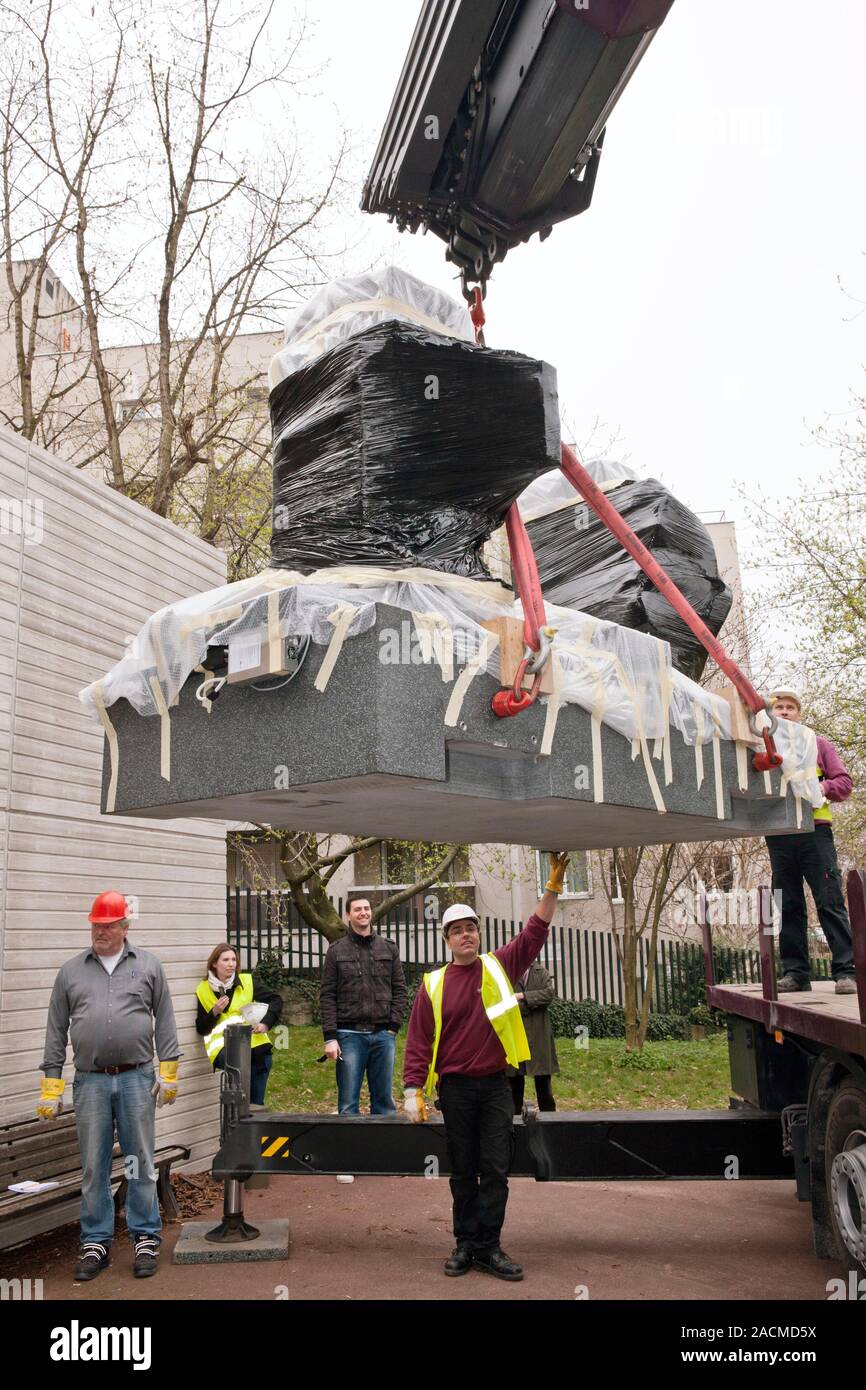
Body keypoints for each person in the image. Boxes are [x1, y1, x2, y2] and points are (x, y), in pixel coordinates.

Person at [402, 853, 569, 1281]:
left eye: (471, 928)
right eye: (457, 931)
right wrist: (411, 1090)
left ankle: (489, 1247)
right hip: (455, 1090)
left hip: (495, 1087)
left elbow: (534, 934)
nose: (465, 936)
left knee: (495, 1169)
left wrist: (550, 889)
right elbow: (419, 1039)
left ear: (479, 934)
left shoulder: (498, 966)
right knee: (463, 1171)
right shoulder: (433, 984)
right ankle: (464, 1244)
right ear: (447, 940)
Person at [38, 890, 181, 1283]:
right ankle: (96, 1242)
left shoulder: (148, 965)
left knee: (138, 1162)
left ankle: (144, 1238)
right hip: (91, 1083)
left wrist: (168, 1069)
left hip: (137, 1079)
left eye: (107, 924)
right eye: (95, 925)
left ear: (124, 926)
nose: (100, 931)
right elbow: (56, 1028)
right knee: (95, 1165)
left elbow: (164, 1018)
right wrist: (52, 1080)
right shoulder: (71, 972)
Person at [765, 687, 856, 995]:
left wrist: (818, 787)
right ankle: (795, 973)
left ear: (799, 714)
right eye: (779, 707)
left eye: (791, 707)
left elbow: (844, 784)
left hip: (814, 832)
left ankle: (847, 972)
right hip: (779, 833)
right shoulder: (760, 747)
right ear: (770, 714)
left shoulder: (817, 745)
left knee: (829, 900)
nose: (785, 711)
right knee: (787, 904)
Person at [320, 894, 407, 1115]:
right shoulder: (336, 950)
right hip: (349, 1036)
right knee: (348, 1104)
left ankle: (385, 1146)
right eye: (357, 909)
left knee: (384, 1104)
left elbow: (399, 989)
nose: (363, 912)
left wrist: (393, 1026)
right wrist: (330, 1037)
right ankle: (350, 1149)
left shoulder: (389, 948)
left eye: (367, 908)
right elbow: (327, 995)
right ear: (348, 915)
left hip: (383, 1036)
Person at [195, 944, 283, 1105]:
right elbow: (201, 1028)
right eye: (226, 960)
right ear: (214, 963)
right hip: (226, 1052)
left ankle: (252, 1124)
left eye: (234, 960)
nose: (231, 964)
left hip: (258, 1050)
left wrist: (265, 1024)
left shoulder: (247, 981)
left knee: (255, 1106)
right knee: (238, 1106)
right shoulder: (203, 989)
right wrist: (214, 1012)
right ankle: (235, 1125)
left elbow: (276, 1000)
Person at [507, 958, 559, 1114]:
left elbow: (549, 995)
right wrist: (533, 1002)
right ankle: (514, 1123)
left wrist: (523, 997)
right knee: (514, 1083)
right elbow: (504, 1000)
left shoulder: (541, 972)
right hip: (516, 1034)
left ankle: (550, 1121)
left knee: (544, 1085)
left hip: (539, 1034)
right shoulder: (508, 973)